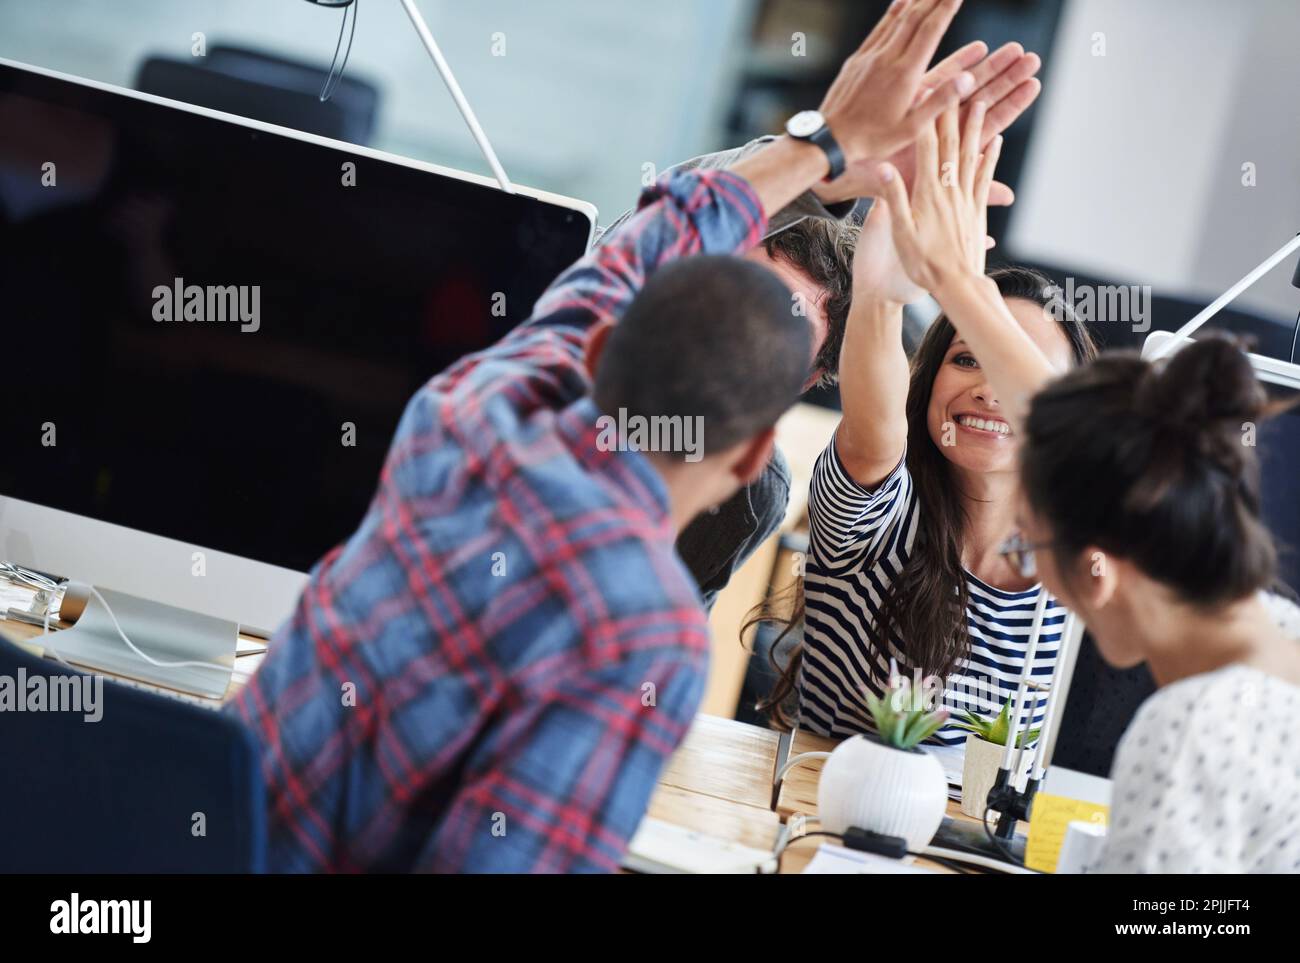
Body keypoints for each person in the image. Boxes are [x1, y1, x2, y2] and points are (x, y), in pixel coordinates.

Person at [231, 0, 981, 872]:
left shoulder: (476, 404)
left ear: (598, 343)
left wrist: (826, 143)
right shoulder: (640, 637)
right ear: (750, 451)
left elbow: (646, 242)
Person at [875, 102, 1300, 872]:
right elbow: (1086, 441)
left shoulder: (1192, 728)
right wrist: (952, 280)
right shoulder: (1278, 639)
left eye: (1034, 543)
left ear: (1095, 557)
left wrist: (954, 277)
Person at [598, 40, 1045, 608]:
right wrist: (820, 164)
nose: (719, 352)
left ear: (799, 387)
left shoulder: (744, 500)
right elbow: (656, 231)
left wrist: (942, 283)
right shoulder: (554, 367)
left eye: (766, 347)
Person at [761, 100, 1096, 744]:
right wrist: (881, 295)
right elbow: (873, 433)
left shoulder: (1083, 569)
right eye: (967, 357)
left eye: (1017, 368)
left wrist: (958, 277)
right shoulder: (879, 516)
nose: (989, 391)